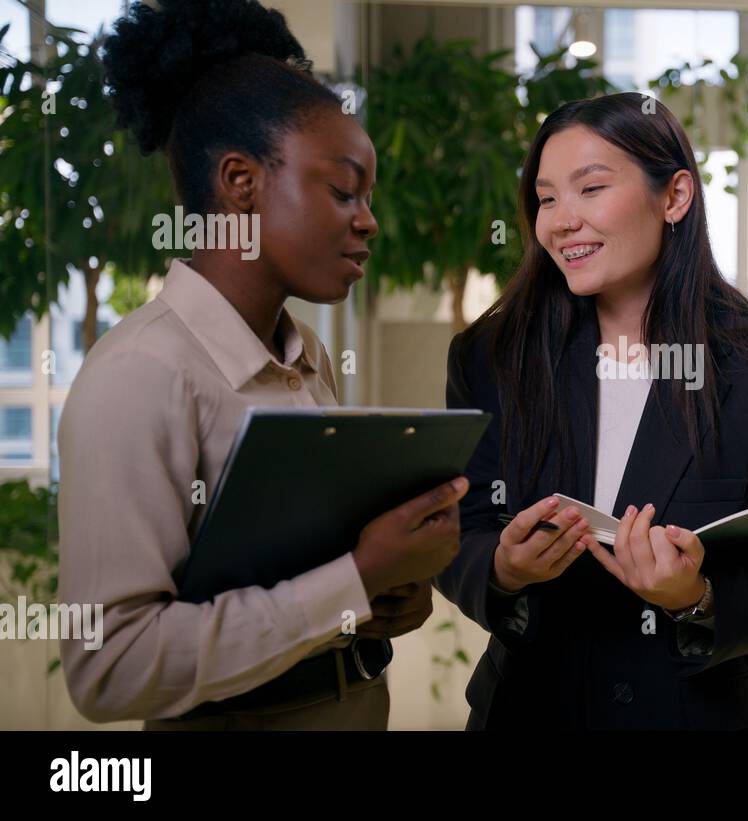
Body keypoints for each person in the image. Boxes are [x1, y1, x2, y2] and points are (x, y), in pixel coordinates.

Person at [57, 0, 464, 730]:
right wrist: (358, 575)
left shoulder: (306, 357)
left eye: (368, 197)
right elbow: (108, 668)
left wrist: (379, 597)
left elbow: (308, 586)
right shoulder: (141, 375)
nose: (369, 219)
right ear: (241, 183)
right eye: (344, 191)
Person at [436, 92, 748, 730]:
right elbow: (463, 525)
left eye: (590, 188)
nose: (561, 221)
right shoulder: (494, 358)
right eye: (545, 199)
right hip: (530, 711)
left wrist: (694, 597)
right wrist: (502, 569)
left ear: (674, 197)